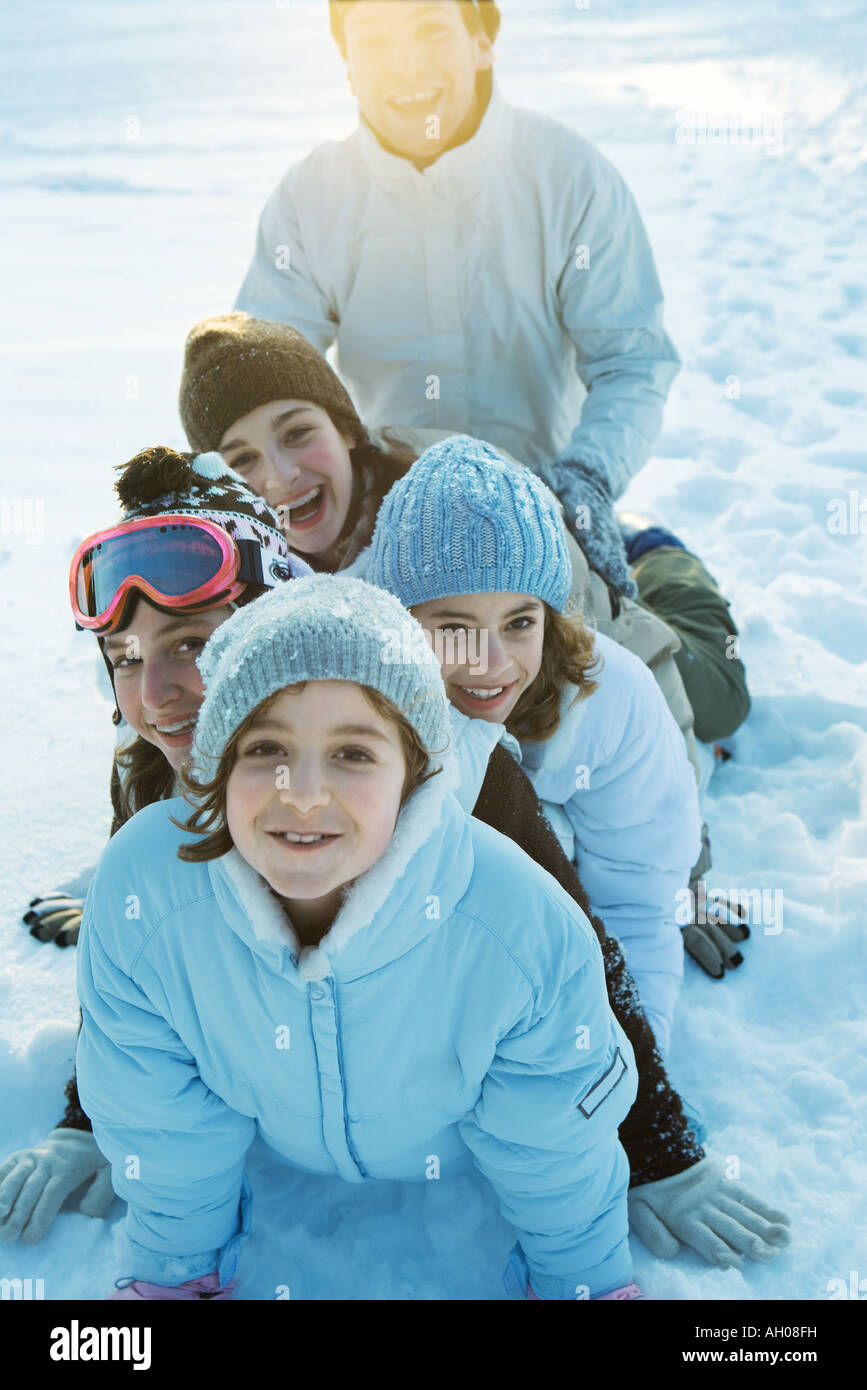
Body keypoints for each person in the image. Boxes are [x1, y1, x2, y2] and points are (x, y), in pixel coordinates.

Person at [5, 448, 789, 1271]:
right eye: (124, 660)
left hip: (631, 728)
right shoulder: (152, 767)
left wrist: (655, 1149)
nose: (154, 694)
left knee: (695, 678)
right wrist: (89, 1118)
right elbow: (148, 959)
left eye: (193, 645)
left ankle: (643, 551)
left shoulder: (451, 773)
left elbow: (568, 960)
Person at [77, 574, 647, 1301]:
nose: (303, 792)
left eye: (352, 753)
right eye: (263, 748)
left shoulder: (516, 927)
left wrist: (584, 1284)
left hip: (448, 1156)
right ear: (217, 762)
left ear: (416, 774)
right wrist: (171, 1267)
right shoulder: (145, 892)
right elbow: (155, 1114)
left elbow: (554, 1139)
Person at [234, 0, 682, 596]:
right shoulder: (310, 199)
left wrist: (586, 478)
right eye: (373, 42)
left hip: (545, 515)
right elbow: (258, 378)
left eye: (429, 30)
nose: (404, 66)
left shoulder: (569, 176)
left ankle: (663, 560)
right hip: (382, 529)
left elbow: (632, 360)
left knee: (657, 677)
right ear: (347, 65)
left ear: (482, 42)